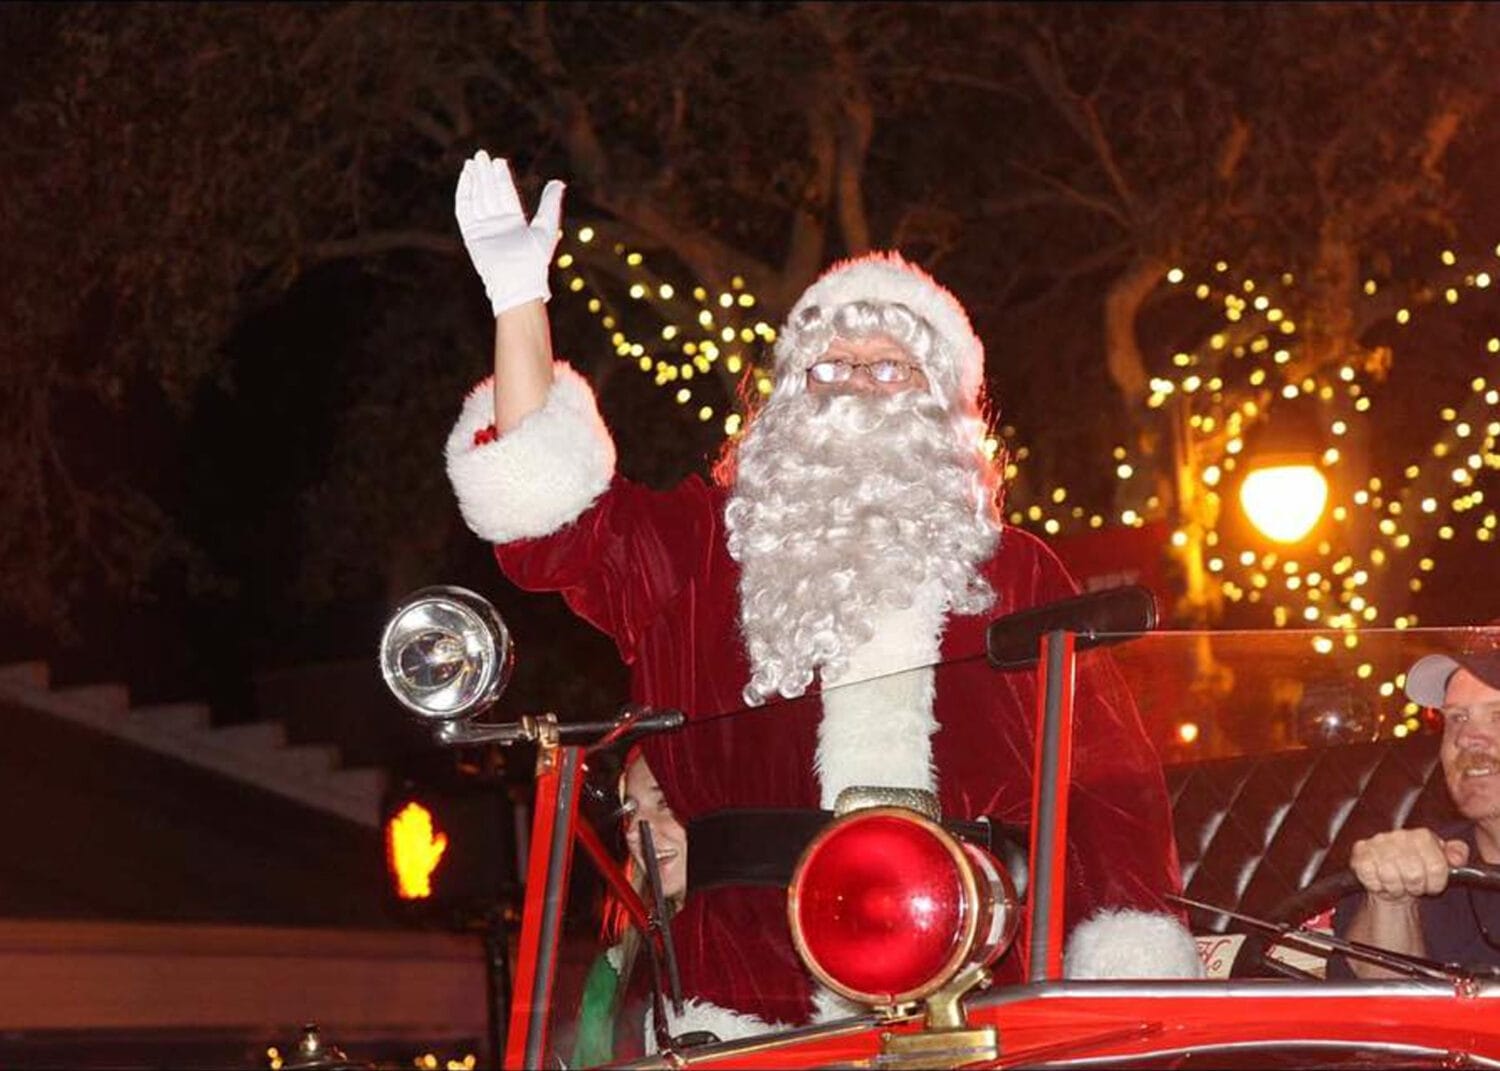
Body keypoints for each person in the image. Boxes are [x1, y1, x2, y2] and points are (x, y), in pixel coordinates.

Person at [444, 150, 1199, 1042]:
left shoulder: (1013, 569)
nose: (856, 387)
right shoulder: (704, 550)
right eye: (830, 367)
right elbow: (551, 523)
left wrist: (1126, 967)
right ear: (788, 394)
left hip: (973, 987)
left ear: (943, 402)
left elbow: (1104, 786)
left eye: (889, 369)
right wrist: (518, 299)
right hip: (746, 996)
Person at [1333, 623, 1500, 978]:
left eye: (1498, 715)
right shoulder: (1414, 870)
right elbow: (1374, 1021)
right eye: (1456, 718)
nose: (1467, 738)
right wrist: (1391, 901)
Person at [571, 752, 686, 1067]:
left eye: (665, 803)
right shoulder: (612, 975)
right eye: (631, 811)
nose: (635, 830)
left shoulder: (809, 946)